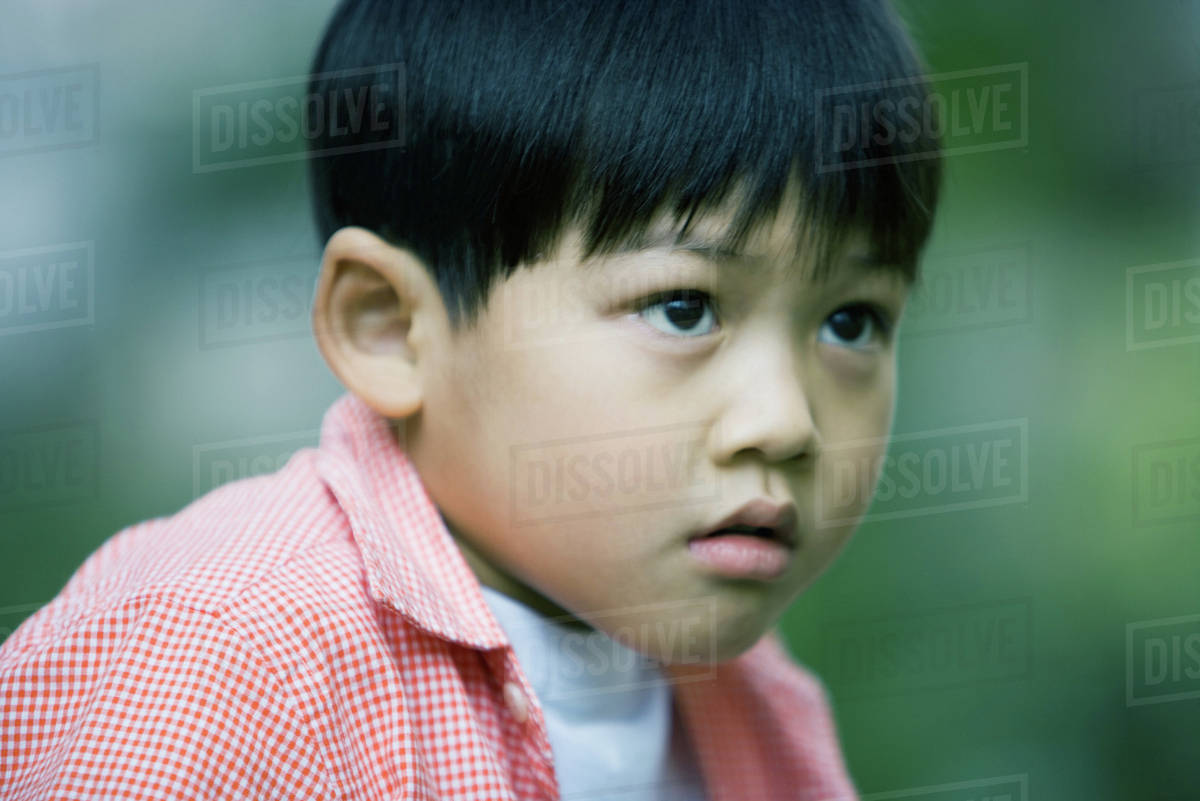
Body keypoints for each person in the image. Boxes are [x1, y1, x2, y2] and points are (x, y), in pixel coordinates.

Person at [0, 1, 943, 798]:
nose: (786, 421)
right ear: (391, 327)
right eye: (684, 306)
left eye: (852, 322)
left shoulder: (761, 717)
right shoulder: (231, 659)